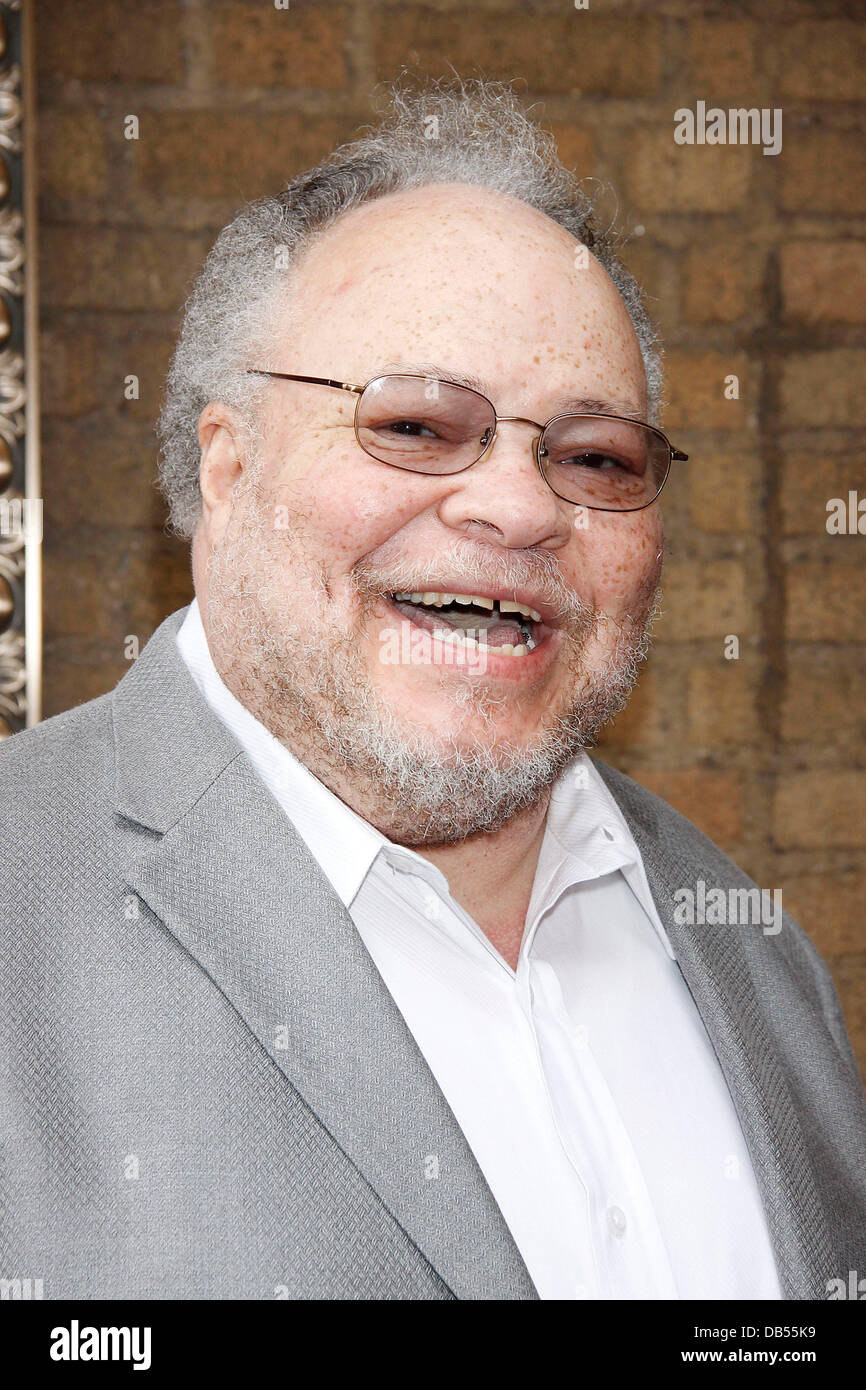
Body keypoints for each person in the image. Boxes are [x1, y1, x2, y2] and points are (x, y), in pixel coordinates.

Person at [2, 79, 864, 1301]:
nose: (518, 507)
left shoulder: (755, 947)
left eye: (595, 456)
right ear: (228, 470)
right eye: (413, 426)